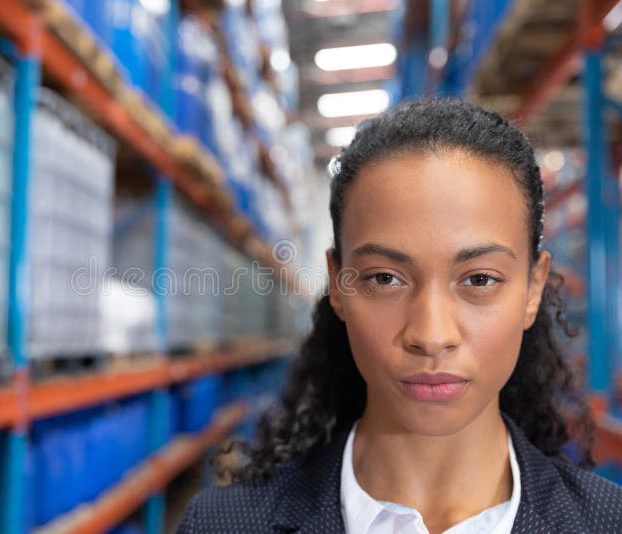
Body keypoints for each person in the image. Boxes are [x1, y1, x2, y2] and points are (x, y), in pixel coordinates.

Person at [176, 98, 622, 533]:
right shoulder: (223, 524)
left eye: (480, 279)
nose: (430, 335)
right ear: (339, 285)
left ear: (533, 289)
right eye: (386, 279)